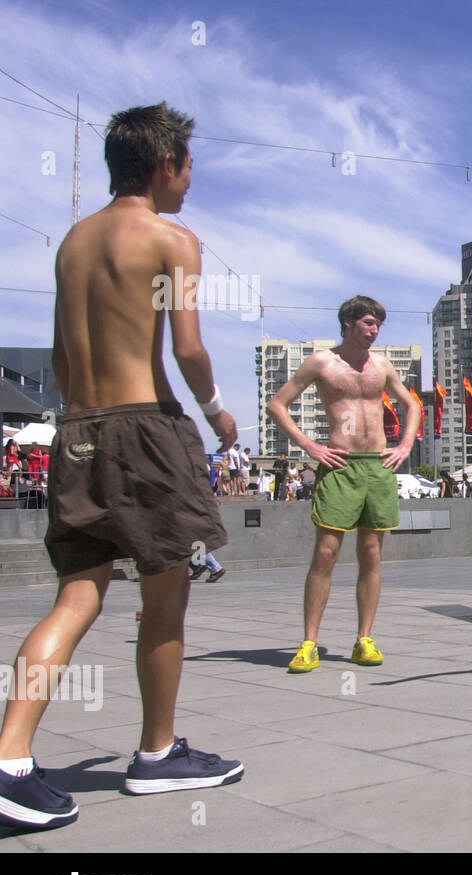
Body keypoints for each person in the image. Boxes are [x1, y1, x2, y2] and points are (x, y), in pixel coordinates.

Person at [0, 102, 246, 831]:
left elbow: (58, 355)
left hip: (76, 426)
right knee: (165, 596)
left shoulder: (73, 244)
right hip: (145, 427)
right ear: (166, 162)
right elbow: (189, 347)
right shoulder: (174, 240)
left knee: (77, 597)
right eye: (189, 166)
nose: (192, 180)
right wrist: (216, 414)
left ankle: (10, 758)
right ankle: (157, 752)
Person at [267, 295, 419, 674]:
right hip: (339, 464)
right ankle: (309, 643)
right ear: (348, 323)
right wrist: (309, 446)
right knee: (326, 554)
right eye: (369, 323)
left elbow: (413, 405)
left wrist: (404, 446)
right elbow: (277, 404)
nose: (375, 330)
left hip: (377, 466)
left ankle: (363, 639)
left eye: (378, 324)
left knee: (371, 553)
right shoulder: (322, 362)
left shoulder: (382, 365)